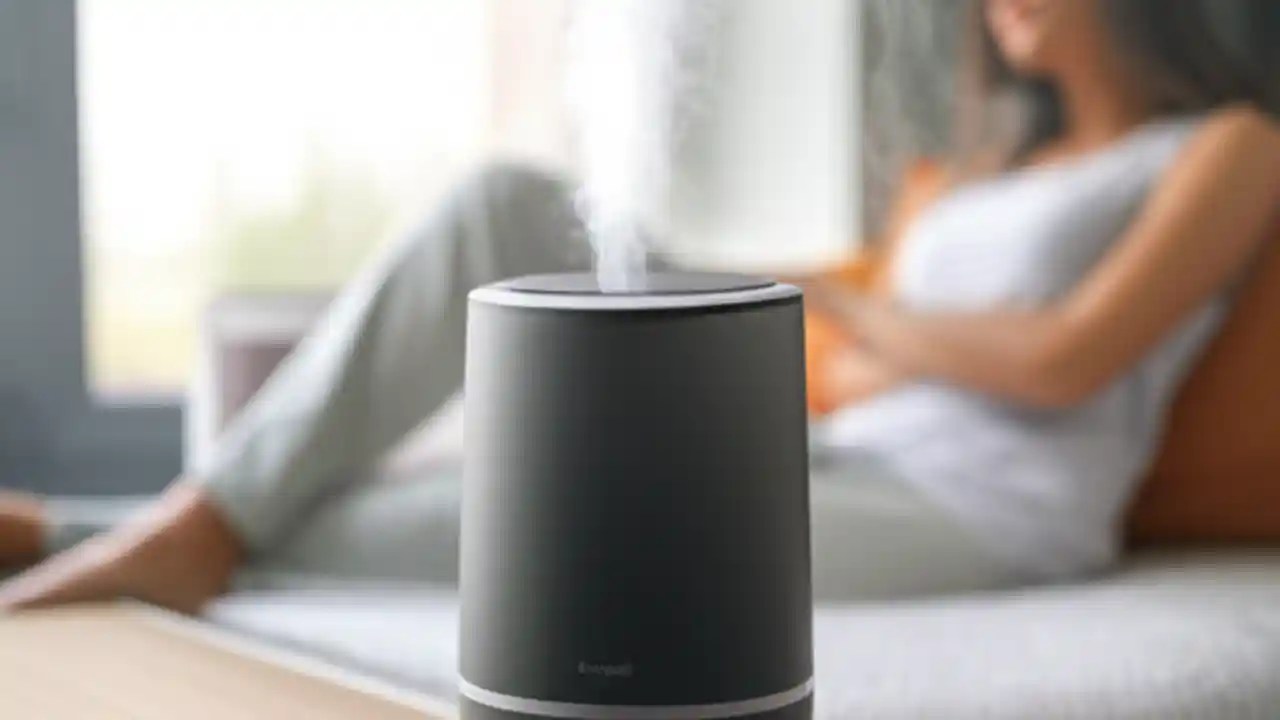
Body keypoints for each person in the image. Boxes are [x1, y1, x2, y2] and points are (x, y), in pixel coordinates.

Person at [2, 0, 1280, 613]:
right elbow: (894, 372)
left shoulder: (1227, 146)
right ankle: (187, 516)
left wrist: (833, 299)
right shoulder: (991, 165)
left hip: (981, 511)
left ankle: (80, 532)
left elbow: (1066, 360)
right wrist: (841, 337)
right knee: (510, 207)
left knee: (501, 535)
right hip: (840, 448)